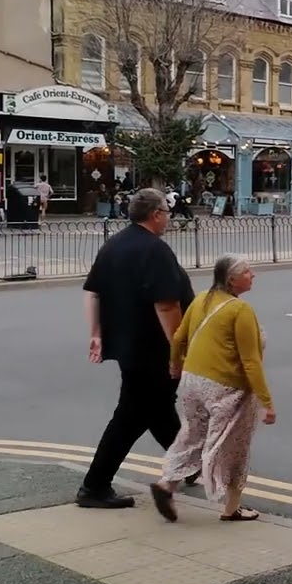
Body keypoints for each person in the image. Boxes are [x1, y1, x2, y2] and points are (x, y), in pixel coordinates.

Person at [77, 188, 196, 509]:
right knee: (131, 417)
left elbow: (94, 293)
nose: (169, 218)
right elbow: (167, 305)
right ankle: (94, 486)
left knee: (155, 410)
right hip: (154, 349)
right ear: (156, 214)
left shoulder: (114, 245)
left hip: (129, 348)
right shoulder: (154, 250)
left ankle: (190, 465)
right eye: (167, 213)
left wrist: (96, 334)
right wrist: (179, 350)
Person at [149, 253, 275, 523]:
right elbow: (250, 362)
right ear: (232, 279)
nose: (253, 275)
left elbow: (179, 337)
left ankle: (166, 485)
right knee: (233, 446)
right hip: (226, 388)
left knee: (192, 435)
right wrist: (267, 402)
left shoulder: (201, 299)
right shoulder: (240, 310)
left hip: (193, 381)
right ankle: (231, 508)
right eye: (247, 271)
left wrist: (175, 366)